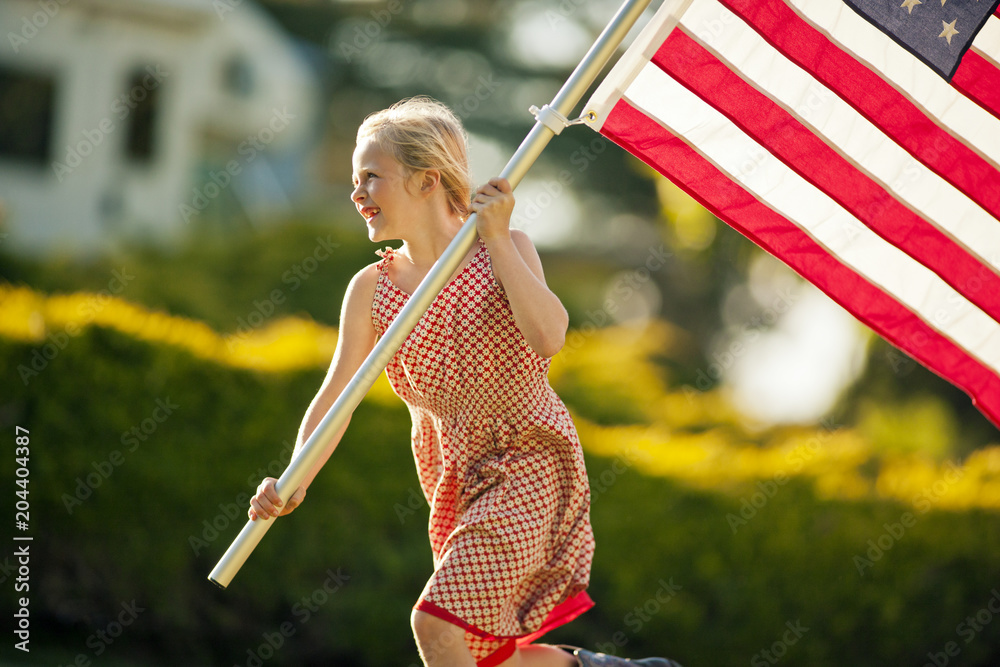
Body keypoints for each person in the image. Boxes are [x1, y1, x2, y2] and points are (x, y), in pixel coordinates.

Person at [248, 97, 682, 667]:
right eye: (356, 181)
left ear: (426, 180)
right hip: (456, 476)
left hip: (530, 463)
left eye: (371, 178)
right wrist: (294, 477)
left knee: (435, 624)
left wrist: (499, 238)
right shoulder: (370, 290)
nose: (356, 195)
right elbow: (337, 399)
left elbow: (550, 336)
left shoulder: (503, 248)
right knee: (485, 655)